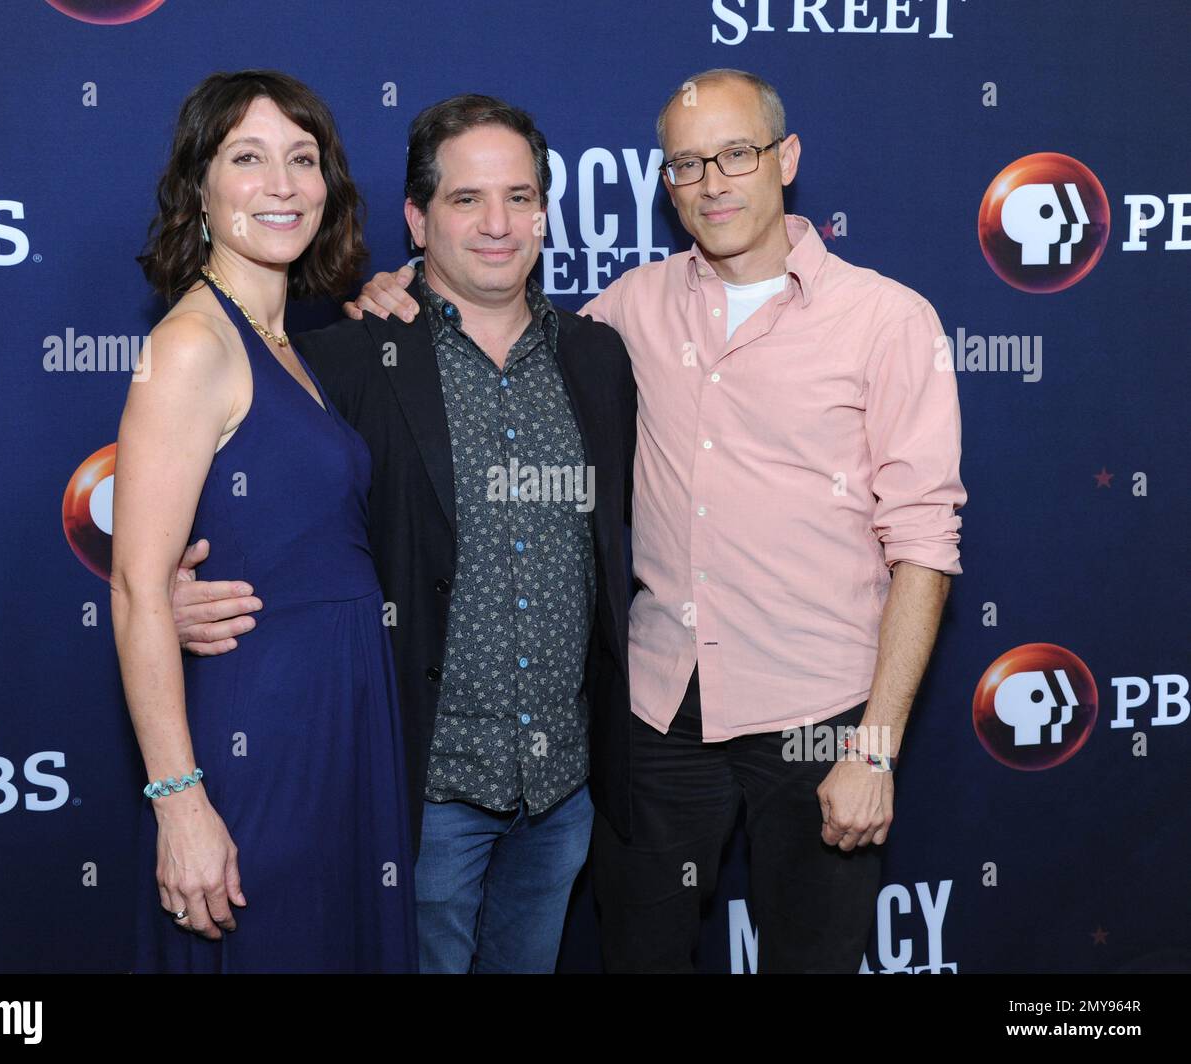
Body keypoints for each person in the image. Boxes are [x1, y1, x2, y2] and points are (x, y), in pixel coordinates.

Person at [344, 68, 967, 973]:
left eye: (736, 154)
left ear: (785, 159)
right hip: (657, 716)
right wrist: (391, 290)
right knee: (637, 953)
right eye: (685, 165)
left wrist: (874, 748)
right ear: (665, 184)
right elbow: (486, 312)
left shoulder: (887, 320)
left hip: (820, 718)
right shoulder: (625, 313)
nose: (712, 182)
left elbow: (924, 542)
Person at [169, 94, 637, 974]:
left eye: (520, 197)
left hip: (564, 789)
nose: (497, 224)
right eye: (466, 200)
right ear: (418, 219)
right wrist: (166, 597)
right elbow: (268, 516)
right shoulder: (345, 358)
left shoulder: (599, 357)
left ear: (545, 210)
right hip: (416, 790)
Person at [111, 69, 416, 973]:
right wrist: (180, 802)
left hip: (340, 722)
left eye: (303, 158)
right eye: (249, 158)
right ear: (199, 187)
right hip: (262, 733)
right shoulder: (192, 344)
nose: (283, 184)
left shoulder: (291, 344)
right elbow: (136, 590)